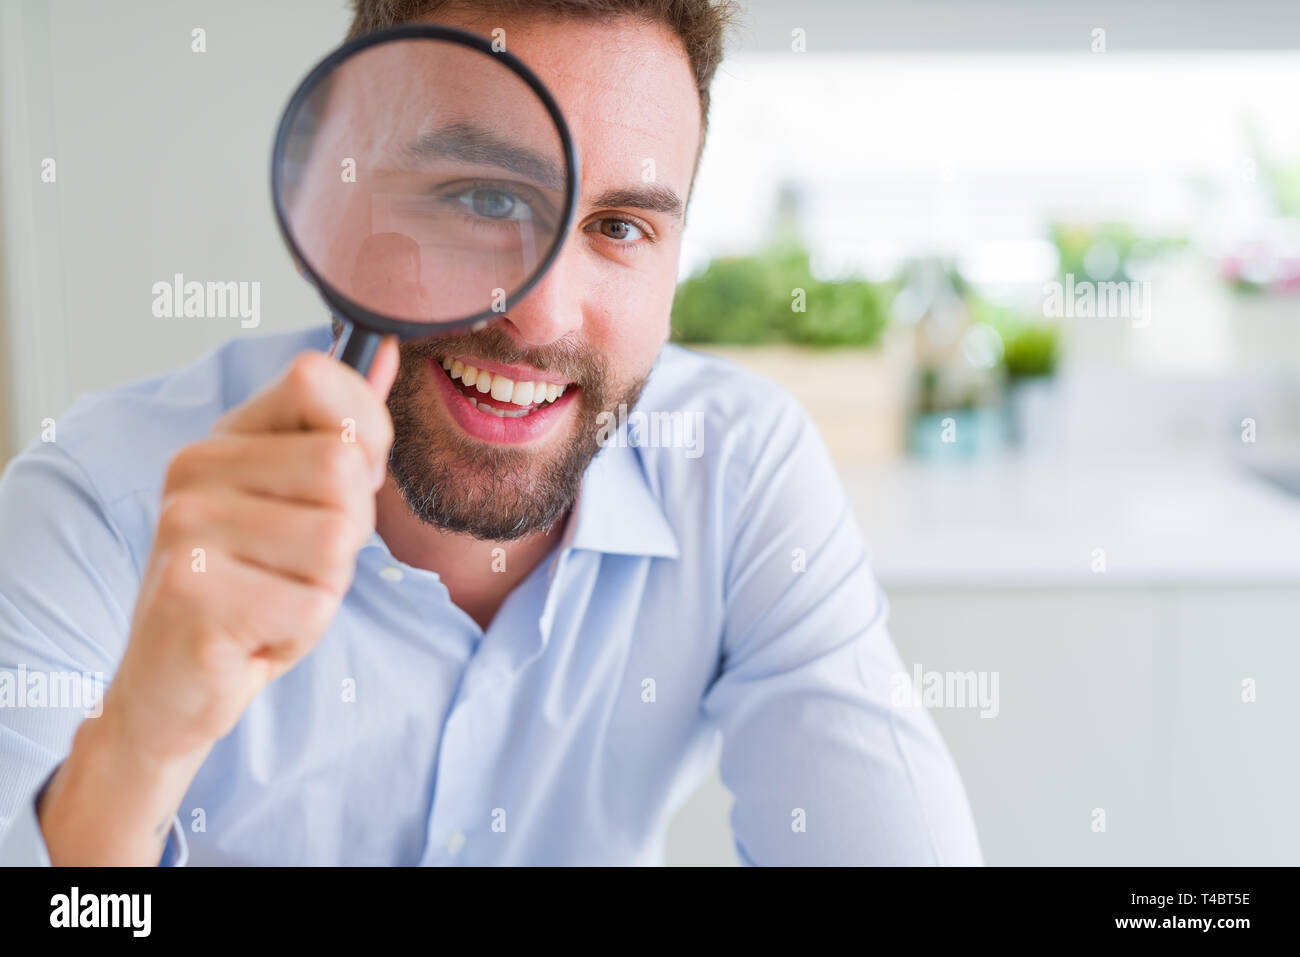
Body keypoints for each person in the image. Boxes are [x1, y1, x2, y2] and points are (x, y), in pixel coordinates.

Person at [0, 0, 982, 866]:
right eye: (486, 199)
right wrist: (144, 738)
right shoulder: (98, 506)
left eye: (619, 227)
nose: (545, 314)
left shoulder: (737, 473)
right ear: (335, 212)